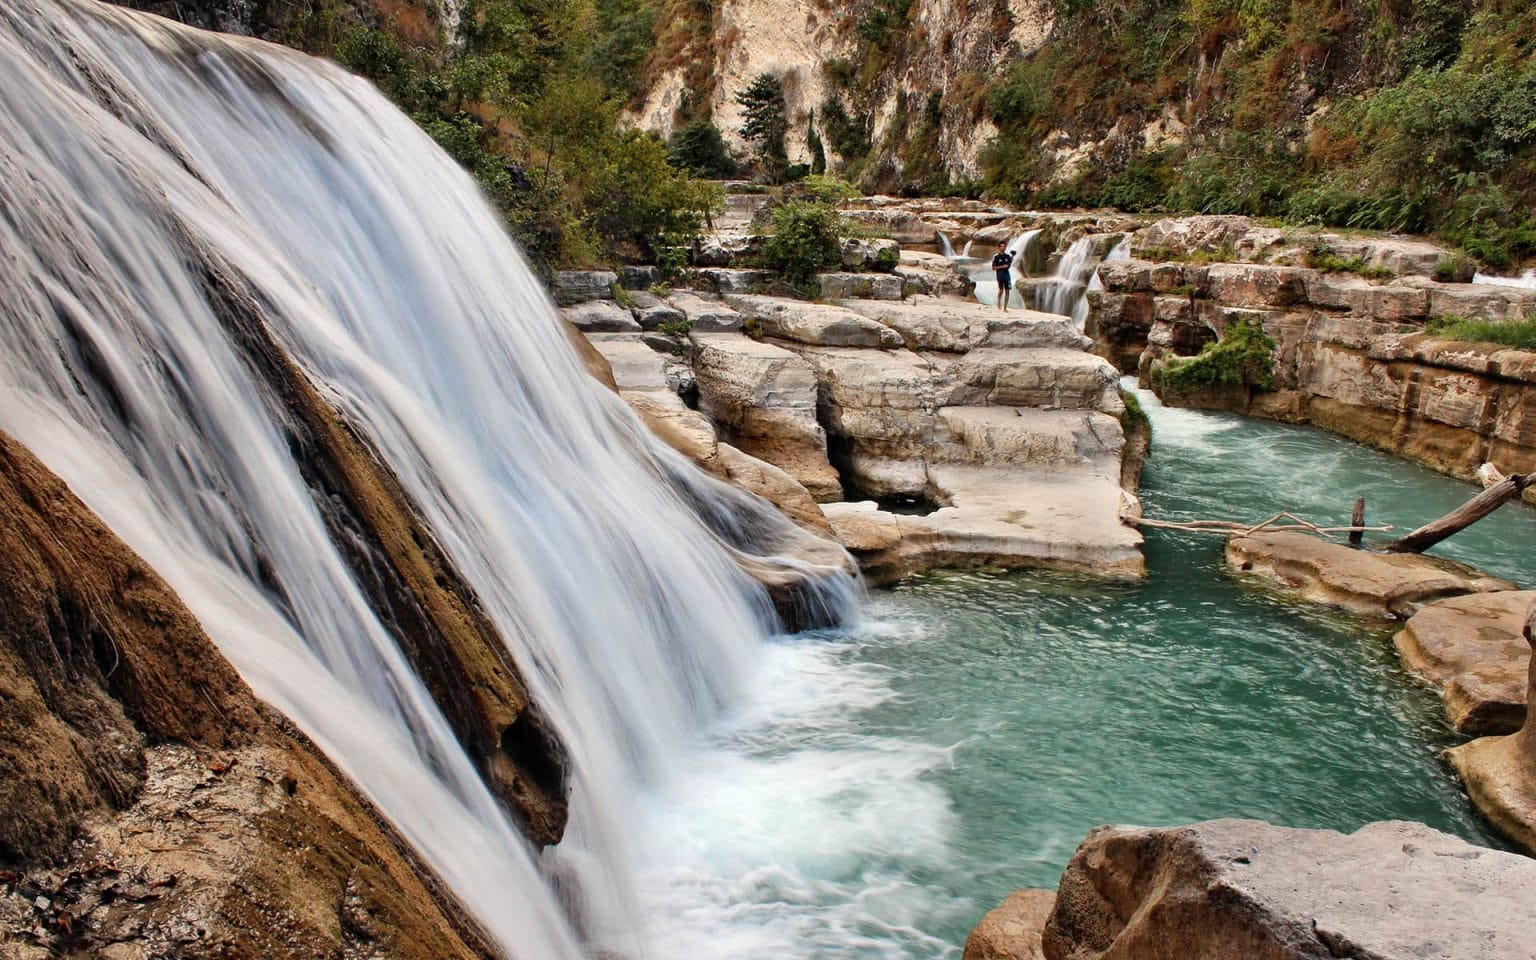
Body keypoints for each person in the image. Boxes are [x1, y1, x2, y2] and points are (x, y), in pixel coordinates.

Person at [991, 241, 1015, 312]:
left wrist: (1012, 257)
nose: (1003, 248)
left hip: (1007, 276)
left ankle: (1005, 308)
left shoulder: (1007, 256)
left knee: (1007, 291)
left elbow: (1009, 264)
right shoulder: (996, 256)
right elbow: (993, 268)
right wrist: (1002, 266)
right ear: (999, 247)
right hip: (1000, 276)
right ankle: (998, 301)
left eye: (1004, 246)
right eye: (1001, 246)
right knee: (1001, 290)